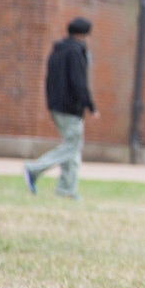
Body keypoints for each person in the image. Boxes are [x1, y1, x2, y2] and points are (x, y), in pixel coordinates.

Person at [24, 17, 96, 199]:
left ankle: (66, 190)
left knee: (72, 147)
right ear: (84, 34)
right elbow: (79, 82)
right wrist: (89, 105)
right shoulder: (75, 52)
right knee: (72, 147)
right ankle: (34, 169)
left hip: (56, 105)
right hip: (70, 107)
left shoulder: (58, 50)